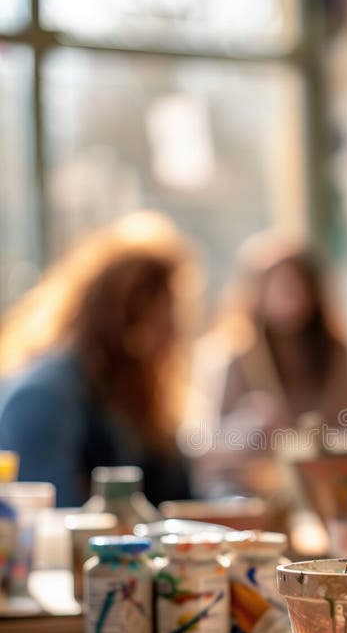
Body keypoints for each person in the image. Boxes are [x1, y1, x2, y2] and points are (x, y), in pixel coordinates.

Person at [0, 211, 199, 507]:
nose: (170, 331)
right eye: (159, 314)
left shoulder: (136, 396)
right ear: (120, 314)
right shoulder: (47, 393)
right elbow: (55, 516)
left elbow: (180, 500)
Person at [218, 232, 347, 438]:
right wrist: (249, 423)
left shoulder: (335, 351)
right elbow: (216, 436)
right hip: (264, 467)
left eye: (297, 286)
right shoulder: (243, 356)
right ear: (259, 293)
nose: (291, 297)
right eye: (282, 287)